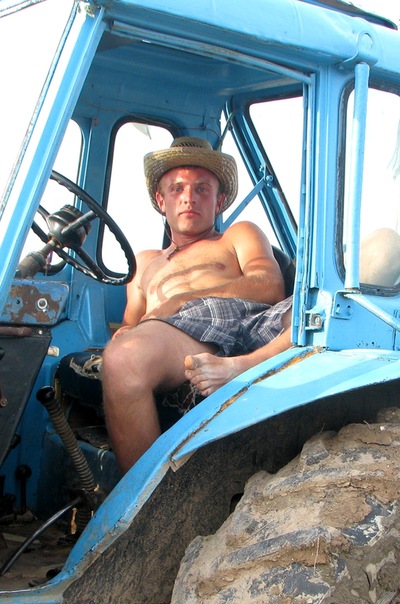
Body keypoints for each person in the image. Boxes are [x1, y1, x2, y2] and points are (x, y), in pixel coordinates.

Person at [101, 137, 292, 474]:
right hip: (184, 337)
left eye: (202, 189)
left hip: (247, 319)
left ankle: (243, 365)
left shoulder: (237, 235)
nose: (189, 197)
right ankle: (150, 500)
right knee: (123, 359)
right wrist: (127, 331)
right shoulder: (144, 263)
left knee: (315, 311)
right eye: (177, 189)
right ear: (161, 201)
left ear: (220, 202)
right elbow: (131, 323)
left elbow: (269, 285)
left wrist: (180, 299)